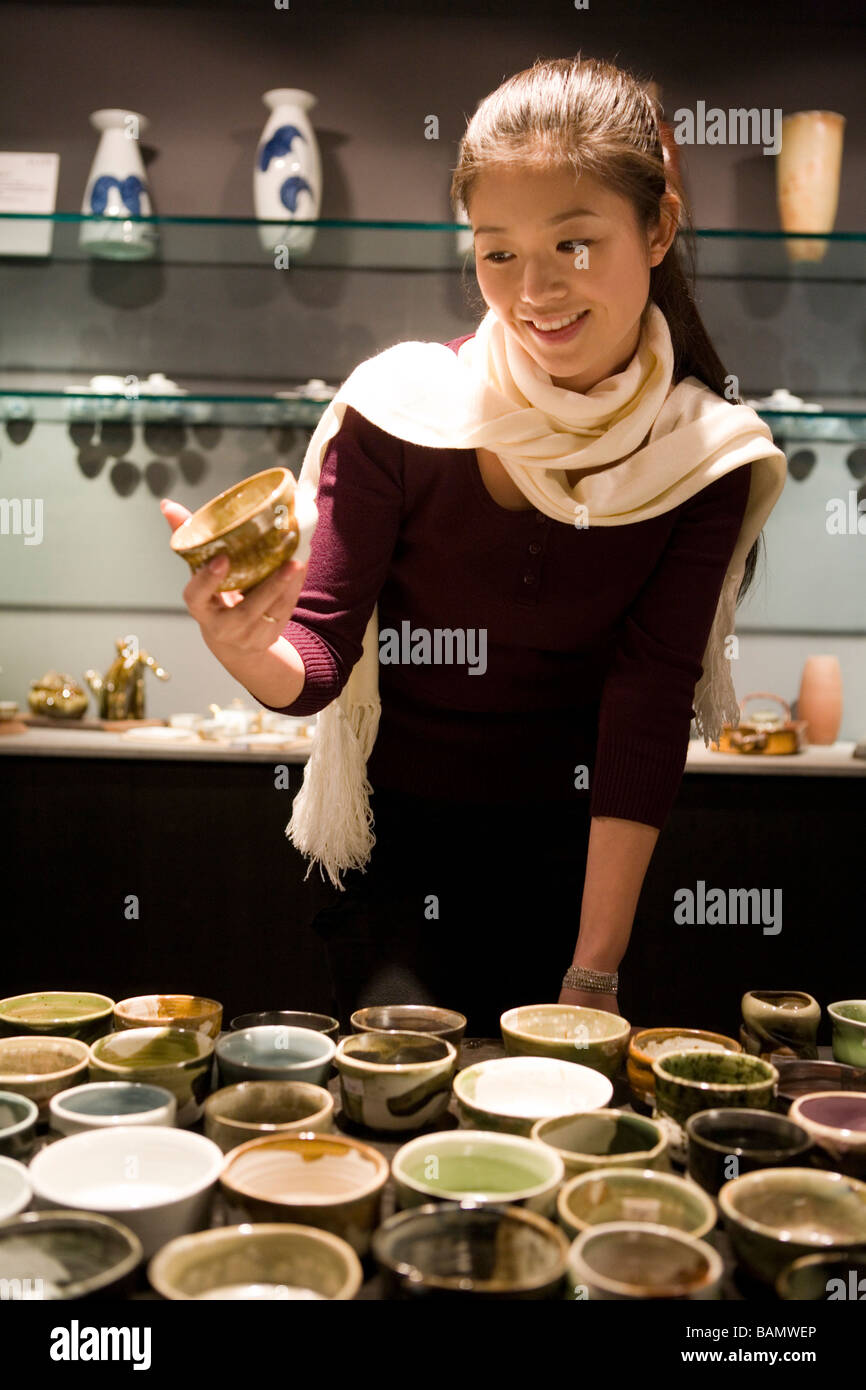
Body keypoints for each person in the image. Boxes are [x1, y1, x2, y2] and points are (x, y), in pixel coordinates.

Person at [161, 56, 786, 1037]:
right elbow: (320, 655)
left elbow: (648, 700)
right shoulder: (401, 412)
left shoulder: (701, 453)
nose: (531, 292)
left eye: (573, 245)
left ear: (655, 228)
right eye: (495, 253)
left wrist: (591, 974)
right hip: (396, 866)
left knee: (564, 1147)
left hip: (584, 866)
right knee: (404, 1130)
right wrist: (253, 653)